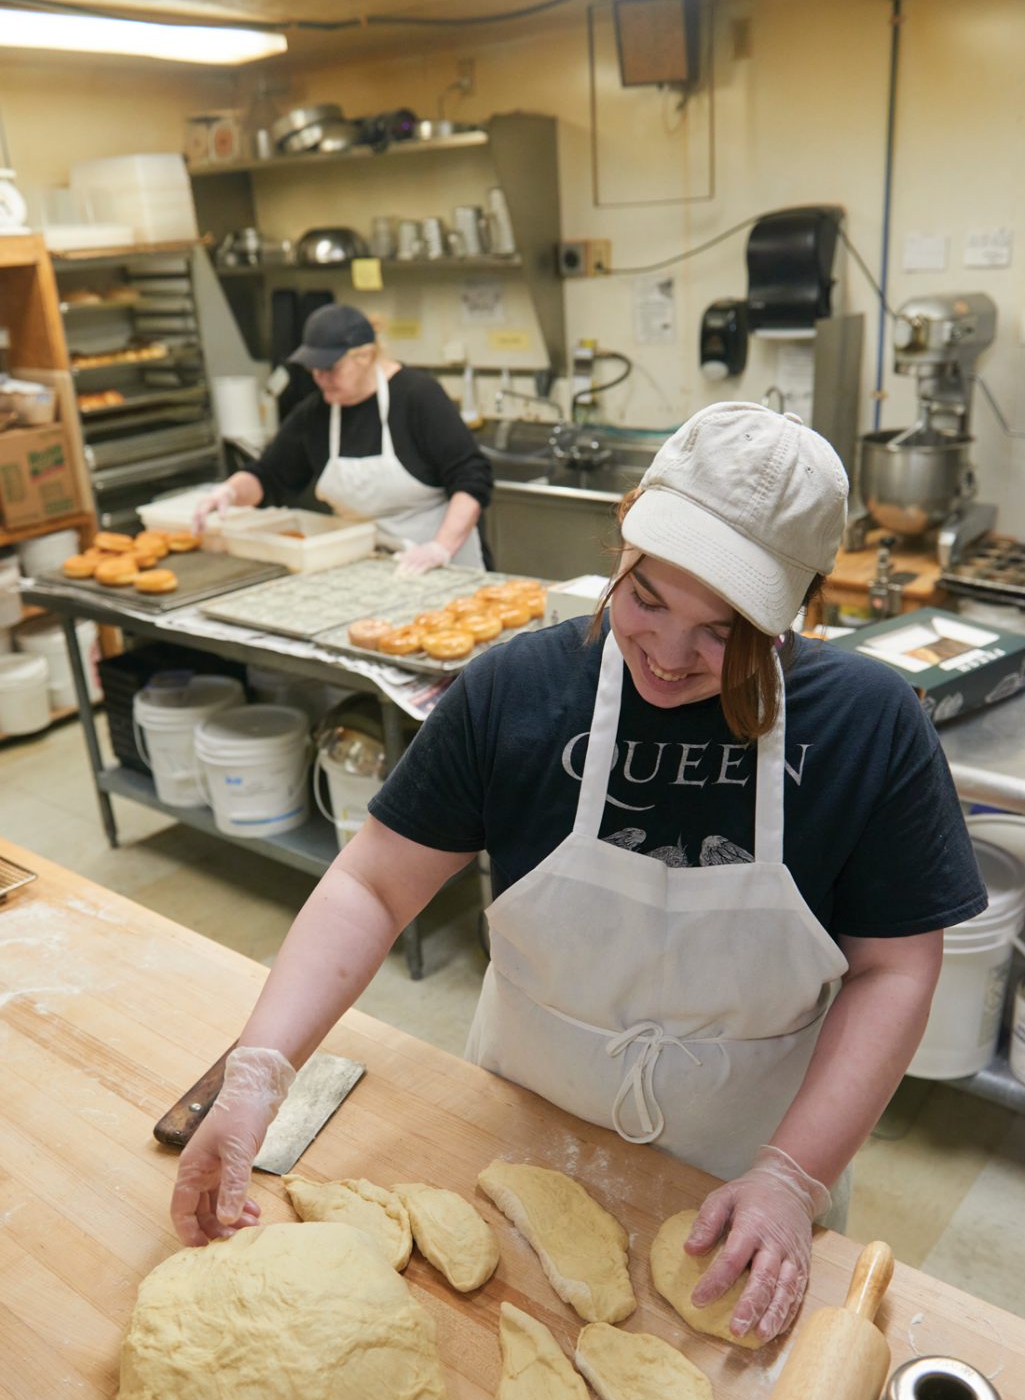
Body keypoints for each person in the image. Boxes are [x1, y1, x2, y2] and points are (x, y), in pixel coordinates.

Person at [171, 402, 985, 1343]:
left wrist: (789, 1179)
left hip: (747, 1162)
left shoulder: (867, 724)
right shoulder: (514, 690)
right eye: (645, 598)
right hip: (516, 1127)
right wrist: (260, 1069)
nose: (669, 656)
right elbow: (373, 884)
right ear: (623, 539)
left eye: (724, 633)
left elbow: (895, 969)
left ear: (800, 608)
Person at [194, 304, 492, 574]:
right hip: (362, 567)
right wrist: (229, 493)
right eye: (314, 369)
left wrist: (439, 548)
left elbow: (471, 477)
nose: (319, 378)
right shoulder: (315, 414)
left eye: (329, 368)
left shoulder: (418, 397)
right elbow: (269, 476)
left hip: (441, 565)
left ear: (365, 356)